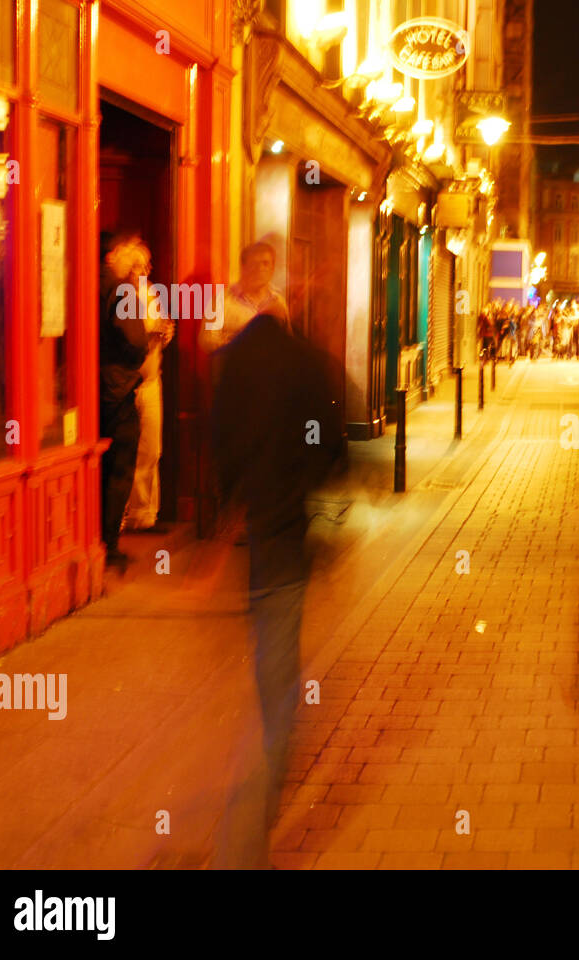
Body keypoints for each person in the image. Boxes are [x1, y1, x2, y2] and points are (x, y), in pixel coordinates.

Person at [211, 312, 344, 868]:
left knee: (267, 658)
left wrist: (232, 503)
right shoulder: (306, 363)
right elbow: (332, 449)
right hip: (286, 535)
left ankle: (248, 814)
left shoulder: (234, 363)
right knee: (278, 676)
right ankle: (245, 837)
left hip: (251, 533)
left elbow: (218, 437)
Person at [99, 235, 150, 572]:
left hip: (94, 391)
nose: (138, 273)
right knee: (119, 469)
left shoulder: (92, 282)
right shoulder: (123, 291)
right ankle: (110, 546)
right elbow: (135, 340)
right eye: (135, 265)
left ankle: (97, 539)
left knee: (99, 467)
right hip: (118, 390)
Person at [122, 244, 175, 532]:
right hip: (128, 382)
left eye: (146, 265)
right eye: (138, 266)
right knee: (125, 450)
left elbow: (161, 331)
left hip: (152, 378)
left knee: (151, 450)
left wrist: (165, 332)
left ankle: (143, 514)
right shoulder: (119, 295)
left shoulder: (152, 293)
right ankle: (122, 513)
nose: (144, 271)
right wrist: (148, 334)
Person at [201, 241, 289, 354]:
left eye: (265, 263)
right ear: (243, 267)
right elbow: (206, 340)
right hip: (236, 369)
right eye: (254, 264)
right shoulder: (222, 300)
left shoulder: (279, 302)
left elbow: (287, 340)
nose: (260, 269)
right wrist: (241, 343)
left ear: (272, 268)